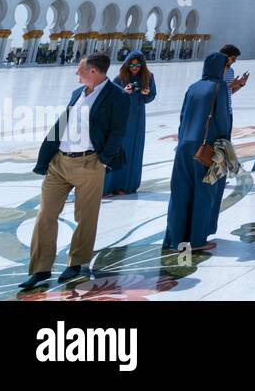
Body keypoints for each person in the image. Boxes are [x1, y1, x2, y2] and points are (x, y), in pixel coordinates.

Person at [18, 53, 130, 291]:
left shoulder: (117, 96)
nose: (76, 73)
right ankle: (40, 268)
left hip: (89, 163)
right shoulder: (77, 94)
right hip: (59, 162)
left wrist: (102, 161)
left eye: (80, 69)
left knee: (85, 217)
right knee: (46, 214)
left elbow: (118, 131)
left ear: (94, 71)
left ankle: (76, 262)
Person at [163, 51, 234, 254]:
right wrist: (225, 147)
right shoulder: (218, 88)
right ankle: (197, 239)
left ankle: (175, 237)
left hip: (185, 145)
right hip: (207, 147)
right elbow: (222, 119)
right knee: (205, 192)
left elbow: (183, 116)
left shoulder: (193, 87)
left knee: (180, 192)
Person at [103, 51, 156, 196]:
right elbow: (109, 97)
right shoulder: (120, 78)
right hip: (121, 118)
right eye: (132, 65)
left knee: (133, 150)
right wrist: (123, 91)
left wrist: (146, 94)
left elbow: (152, 96)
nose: (134, 68)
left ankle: (126, 185)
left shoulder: (148, 77)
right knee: (118, 150)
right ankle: (109, 185)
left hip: (137, 119)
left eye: (138, 65)